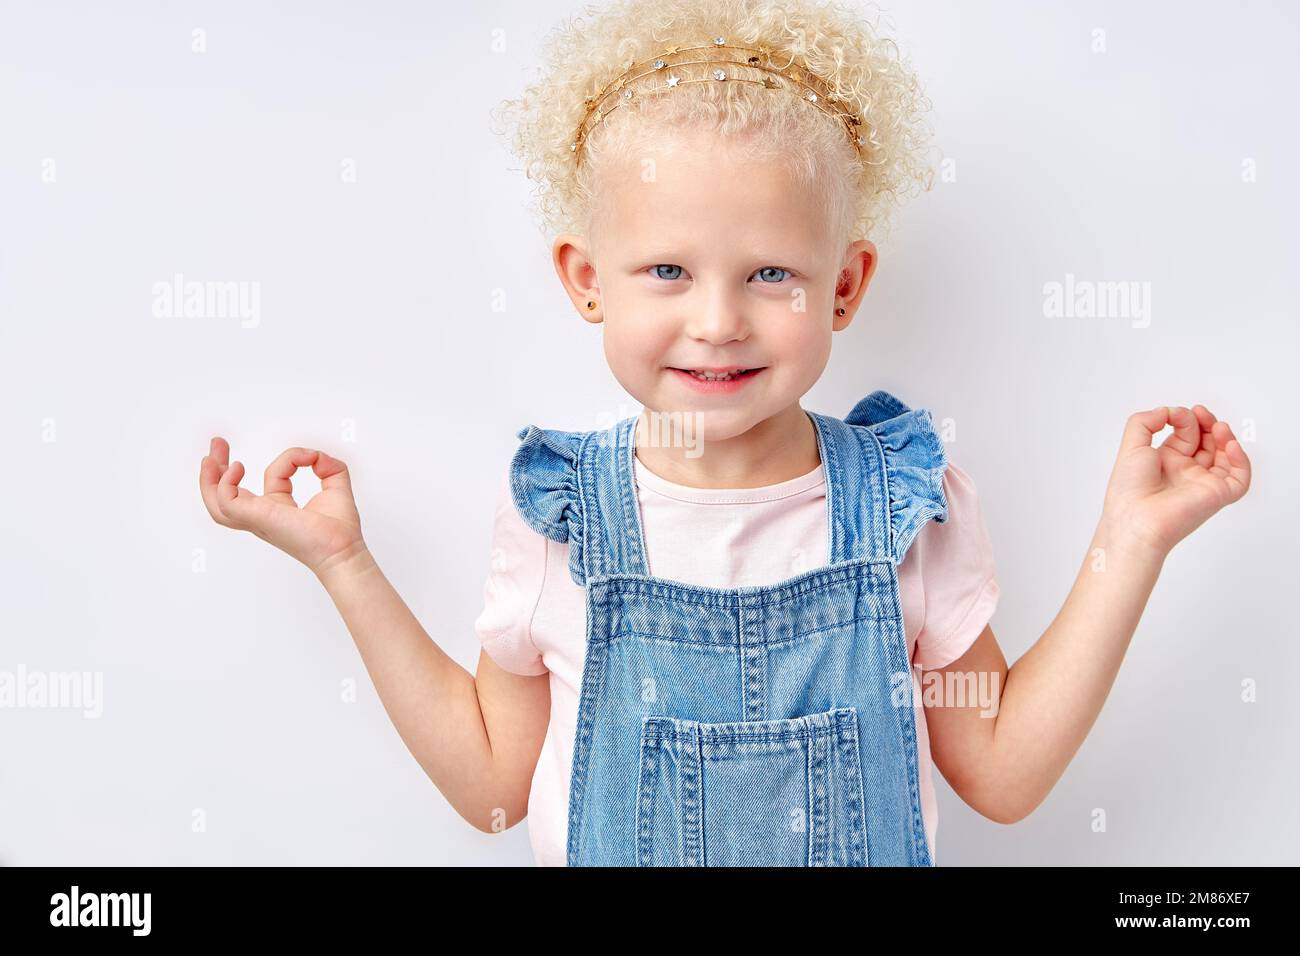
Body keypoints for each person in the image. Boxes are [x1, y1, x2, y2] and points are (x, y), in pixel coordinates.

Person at [196, 0, 1252, 866]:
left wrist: (1131, 540)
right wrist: (343, 562)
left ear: (843, 285)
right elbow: (487, 792)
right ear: (584, 281)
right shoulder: (559, 518)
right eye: (667, 269)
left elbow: (1006, 775)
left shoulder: (903, 506)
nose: (716, 318)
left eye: (769, 273)